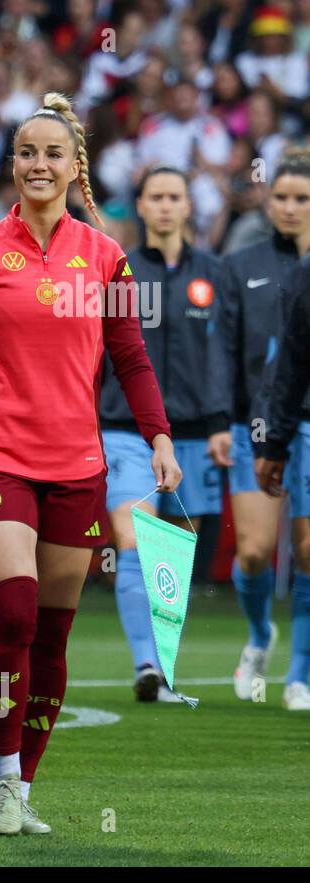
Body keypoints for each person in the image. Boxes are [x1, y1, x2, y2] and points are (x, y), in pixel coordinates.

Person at [0, 93, 179, 836]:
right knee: (17, 612)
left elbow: (131, 356)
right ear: (13, 164)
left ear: (73, 166)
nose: (38, 164)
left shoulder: (106, 256)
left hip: (80, 465)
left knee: (54, 634)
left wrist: (158, 438)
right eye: (26, 152)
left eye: (52, 153)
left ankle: (23, 788)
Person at [102, 164, 229, 702]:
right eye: (155, 196)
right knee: (133, 541)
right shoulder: (117, 272)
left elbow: (226, 356)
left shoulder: (215, 275)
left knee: (173, 555)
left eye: (175, 196)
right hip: (124, 429)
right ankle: (146, 665)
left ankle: (163, 660)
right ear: (141, 205)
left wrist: (224, 424)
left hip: (198, 434)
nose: (165, 205)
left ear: (188, 205)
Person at [216, 149, 310, 703]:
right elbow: (226, 352)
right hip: (253, 422)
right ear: (266, 200)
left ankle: (300, 671)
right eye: (282, 197)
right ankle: (259, 634)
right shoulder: (241, 265)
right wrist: (219, 421)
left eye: (303, 199)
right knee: (253, 550)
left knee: (307, 549)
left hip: (308, 420)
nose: (291, 208)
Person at [254, 236, 310, 712]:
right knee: (308, 548)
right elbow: (293, 362)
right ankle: (300, 673)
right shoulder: (306, 273)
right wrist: (274, 443)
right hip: (308, 424)